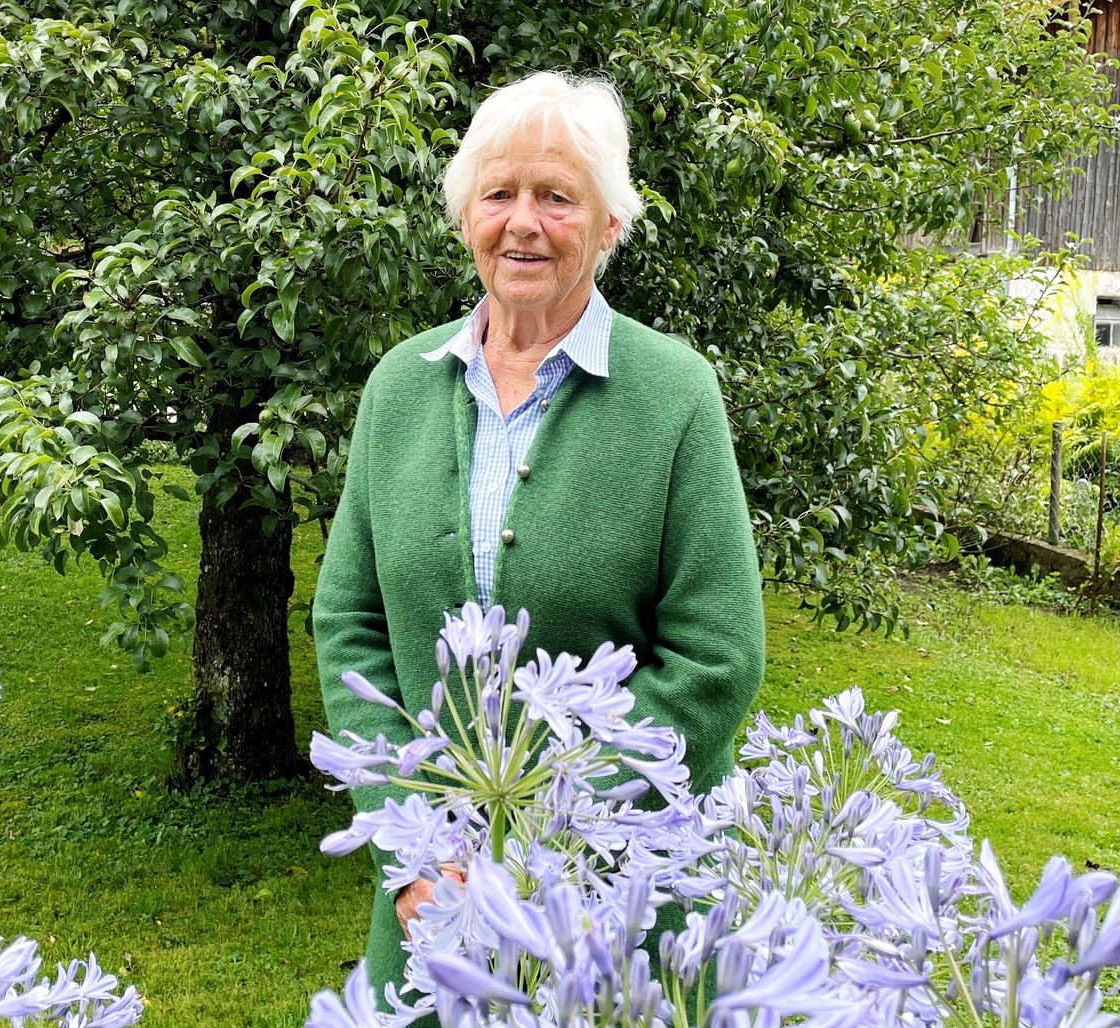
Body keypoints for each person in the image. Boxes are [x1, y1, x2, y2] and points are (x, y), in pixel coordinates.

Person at [313, 70, 766, 1008]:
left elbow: (716, 660)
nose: (523, 222)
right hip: (434, 905)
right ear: (465, 216)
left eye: (558, 197)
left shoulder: (675, 396)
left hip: (619, 904)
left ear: (608, 225)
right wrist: (415, 851)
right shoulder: (399, 387)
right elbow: (348, 623)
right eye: (499, 194)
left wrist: (552, 836)